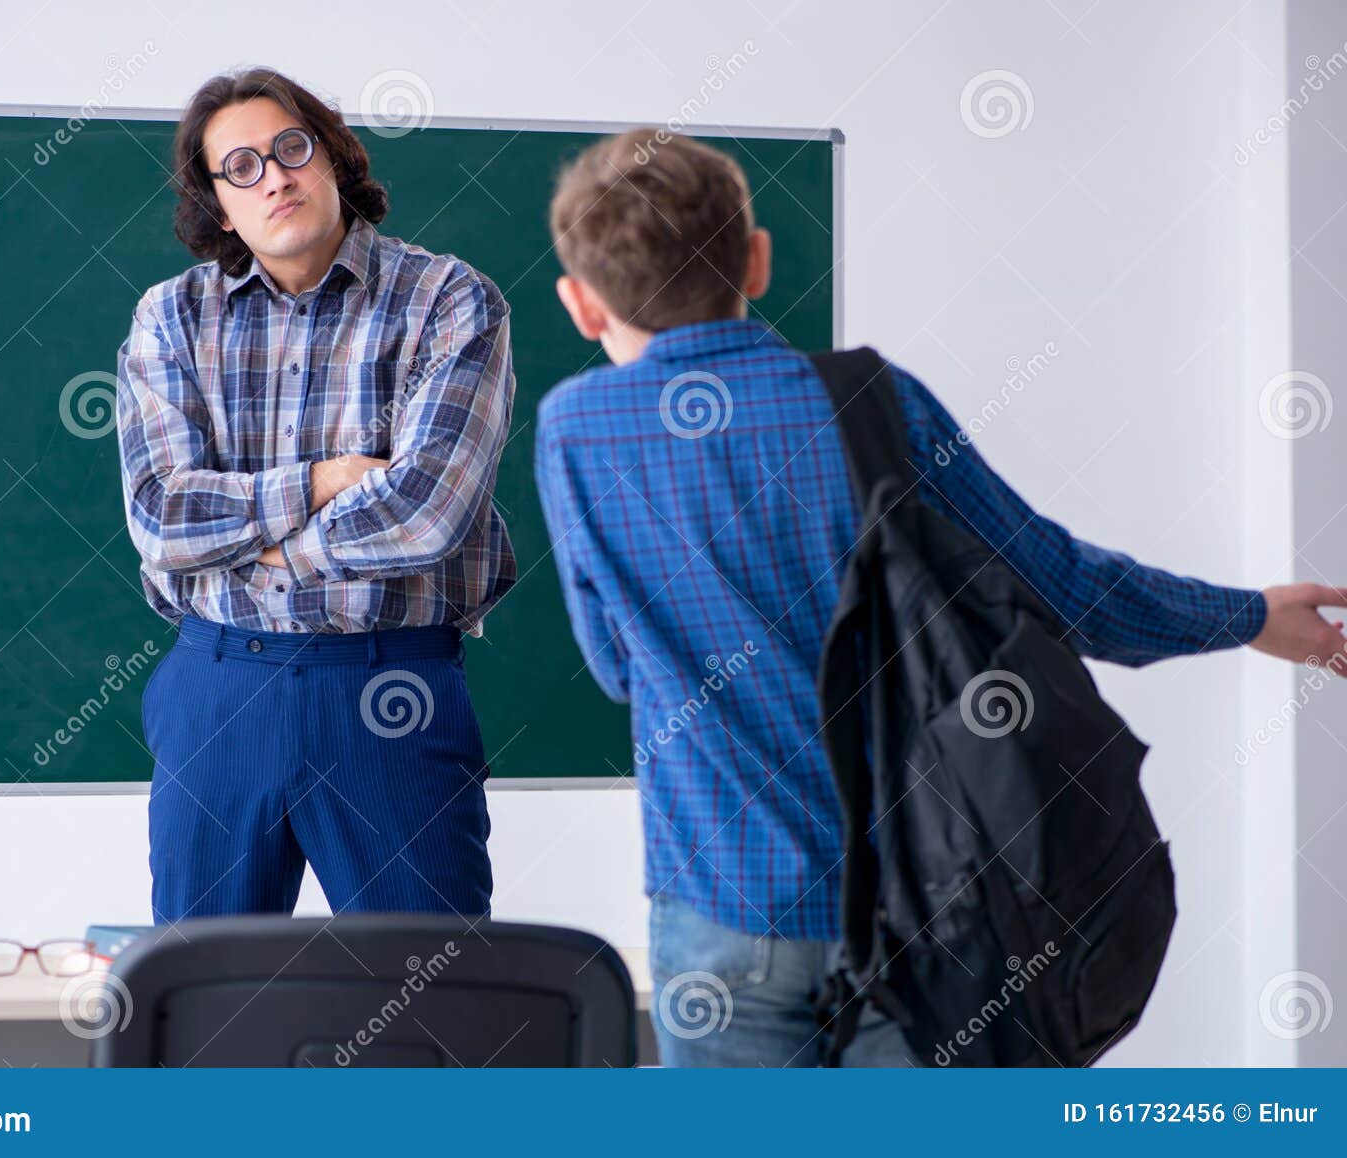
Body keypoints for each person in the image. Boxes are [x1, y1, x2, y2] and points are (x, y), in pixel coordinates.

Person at [533, 127, 1347, 1067]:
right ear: (755, 260)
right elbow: (1062, 587)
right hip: (921, 910)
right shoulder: (870, 402)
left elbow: (612, 669)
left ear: (582, 305)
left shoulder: (573, 430)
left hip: (722, 911)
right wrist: (1248, 617)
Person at [115, 67, 515, 925]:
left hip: (388, 691)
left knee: (435, 1015)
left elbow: (426, 514)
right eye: (243, 167)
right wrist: (327, 481)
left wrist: (256, 543)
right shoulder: (170, 318)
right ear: (220, 206)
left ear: (332, 156)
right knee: (201, 1023)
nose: (276, 177)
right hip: (216, 689)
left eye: (292, 149)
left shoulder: (449, 300)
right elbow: (160, 518)